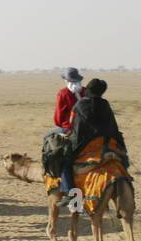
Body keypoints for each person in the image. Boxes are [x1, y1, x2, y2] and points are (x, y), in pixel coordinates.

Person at [59, 78, 125, 207]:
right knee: (123, 159)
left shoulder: (79, 105)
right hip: (108, 144)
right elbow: (114, 126)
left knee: (64, 162)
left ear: (88, 90)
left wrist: (67, 135)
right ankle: (126, 178)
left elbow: (73, 126)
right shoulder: (106, 104)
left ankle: (71, 195)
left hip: (86, 146)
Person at [53, 67, 84, 133]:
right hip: (88, 125)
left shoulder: (63, 93)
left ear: (66, 80)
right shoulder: (85, 90)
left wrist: (60, 124)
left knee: (49, 135)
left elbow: (58, 116)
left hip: (69, 127)